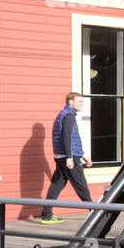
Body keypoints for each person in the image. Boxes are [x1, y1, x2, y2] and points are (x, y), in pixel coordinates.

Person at [40, 92, 92, 223]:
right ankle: (96, 213)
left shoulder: (63, 114)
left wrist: (84, 155)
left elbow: (72, 139)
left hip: (61, 155)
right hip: (68, 156)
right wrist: (70, 157)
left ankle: (47, 215)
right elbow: (66, 137)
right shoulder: (69, 116)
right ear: (71, 102)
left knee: (56, 186)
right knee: (81, 185)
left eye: (82, 101)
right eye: (79, 101)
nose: (82, 104)